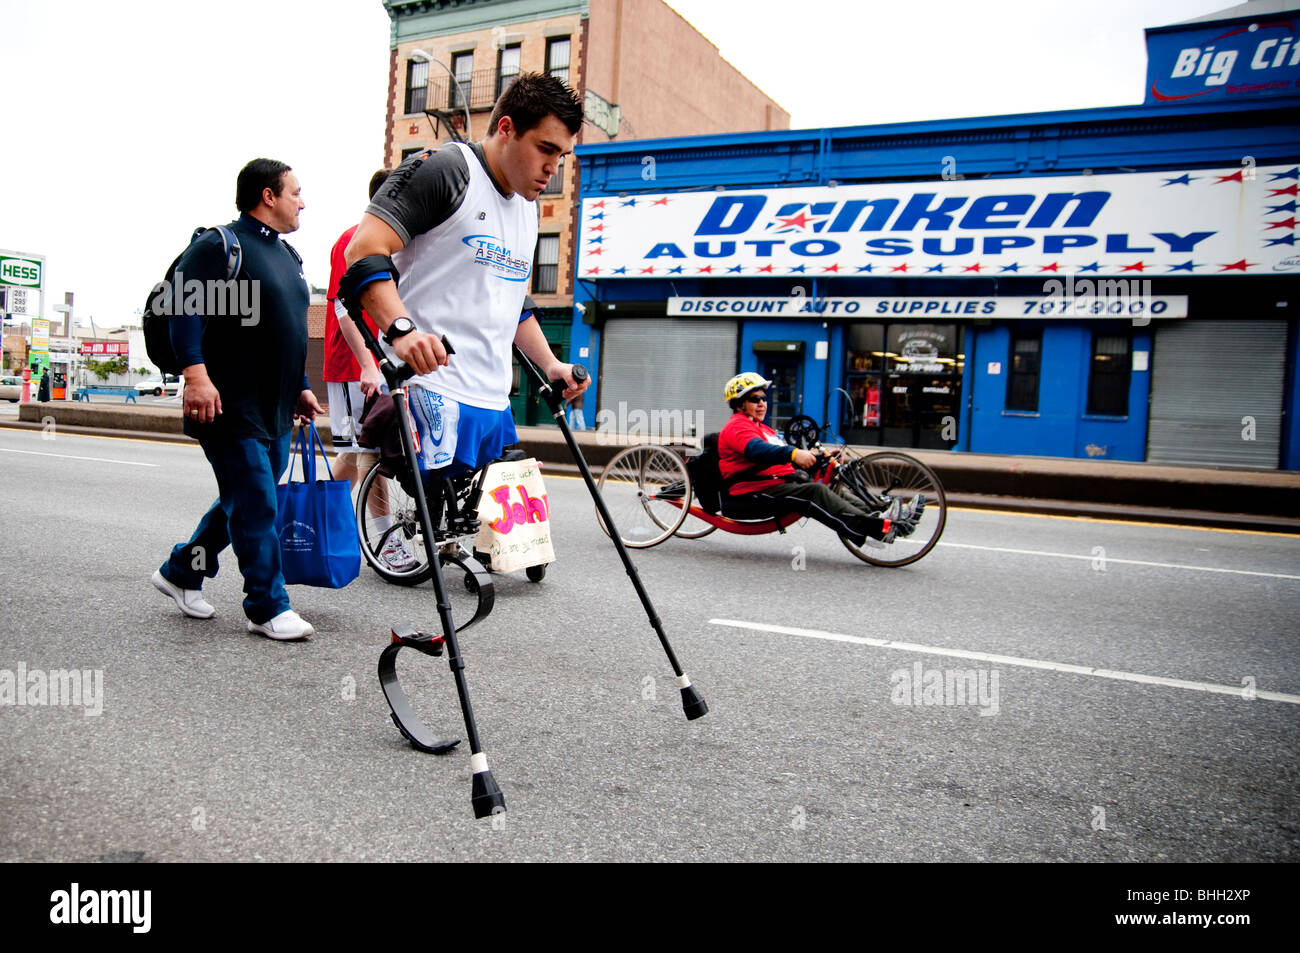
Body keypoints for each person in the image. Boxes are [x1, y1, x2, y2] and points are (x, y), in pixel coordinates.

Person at [340, 73, 589, 498]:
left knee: (492, 534)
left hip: (491, 395)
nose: (554, 167)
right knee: (431, 520)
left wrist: (552, 366)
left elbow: (513, 300)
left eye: (562, 155)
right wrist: (401, 331)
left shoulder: (529, 209)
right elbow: (363, 250)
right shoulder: (445, 169)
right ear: (507, 128)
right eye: (546, 149)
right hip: (431, 382)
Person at [151, 158, 324, 641]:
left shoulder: (287, 256)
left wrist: (301, 388)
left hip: (275, 408)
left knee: (240, 502)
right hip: (226, 404)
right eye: (295, 192)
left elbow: (285, 332)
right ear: (268, 196)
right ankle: (267, 605)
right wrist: (195, 374)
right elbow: (182, 304)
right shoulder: (219, 246)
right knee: (257, 504)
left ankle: (183, 571)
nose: (302, 201)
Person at [325, 168, 417, 572]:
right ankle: (387, 544)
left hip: (379, 361)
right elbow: (342, 306)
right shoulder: (355, 238)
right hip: (354, 362)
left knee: (350, 452)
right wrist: (367, 364)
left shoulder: (397, 240)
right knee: (369, 450)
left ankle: (316, 517)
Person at [717, 373, 923, 546]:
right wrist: (794, 454)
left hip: (774, 483)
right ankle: (879, 529)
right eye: (755, 399)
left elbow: (780, 451)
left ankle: (886, 515)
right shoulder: (737, 426)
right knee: (814, 492)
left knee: (833, 490)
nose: (762, 403)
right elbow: (758, 450)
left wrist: (819, 456)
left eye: (764, 398)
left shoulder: (761, 427)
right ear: (739, 404)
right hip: (752, 493)